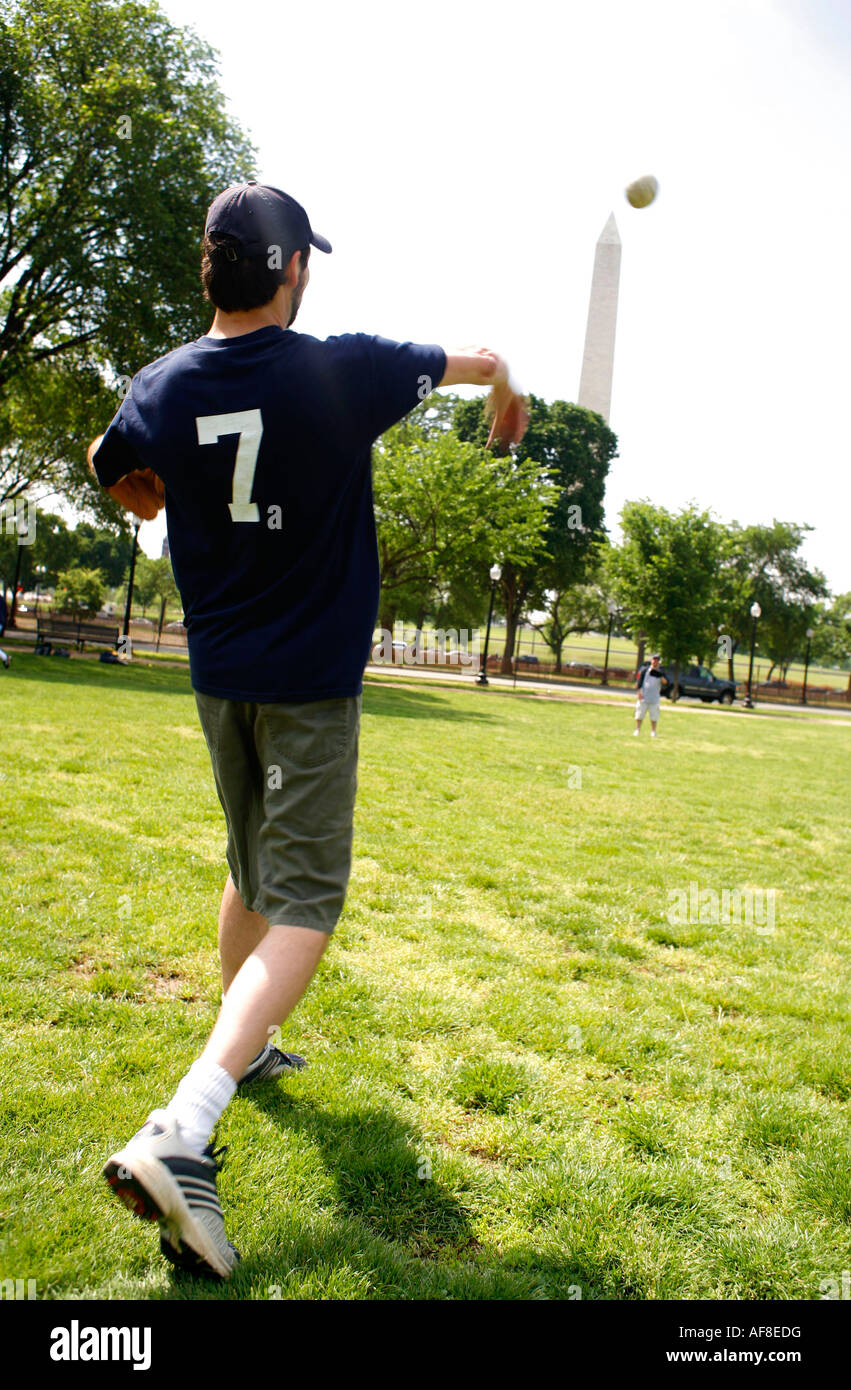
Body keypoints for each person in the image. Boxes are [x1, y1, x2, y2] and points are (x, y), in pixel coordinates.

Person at [89, 181, 527, 1279]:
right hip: (310, 683)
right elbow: (473, 359)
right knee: (307, 898)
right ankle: (182, 1128)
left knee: (250, 865)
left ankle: (251, 1041)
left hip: (217, 674)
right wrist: (507, 384)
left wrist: (152, 493)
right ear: (288, 269)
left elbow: (113, 467)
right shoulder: (344, 367)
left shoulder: (159, 381)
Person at [634, 652, 669, 738]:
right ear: (651, 660)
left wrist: (659, 673)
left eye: (656, 660)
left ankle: (653, 731)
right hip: (644, 697)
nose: (654, 662)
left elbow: (665, 682)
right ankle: (637, 730)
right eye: (654, 660)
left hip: (654, 698)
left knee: (654, 716)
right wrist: (639, 693)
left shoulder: (661, 672)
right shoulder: (645, 671)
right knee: (639, 714)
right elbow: (639, 684)